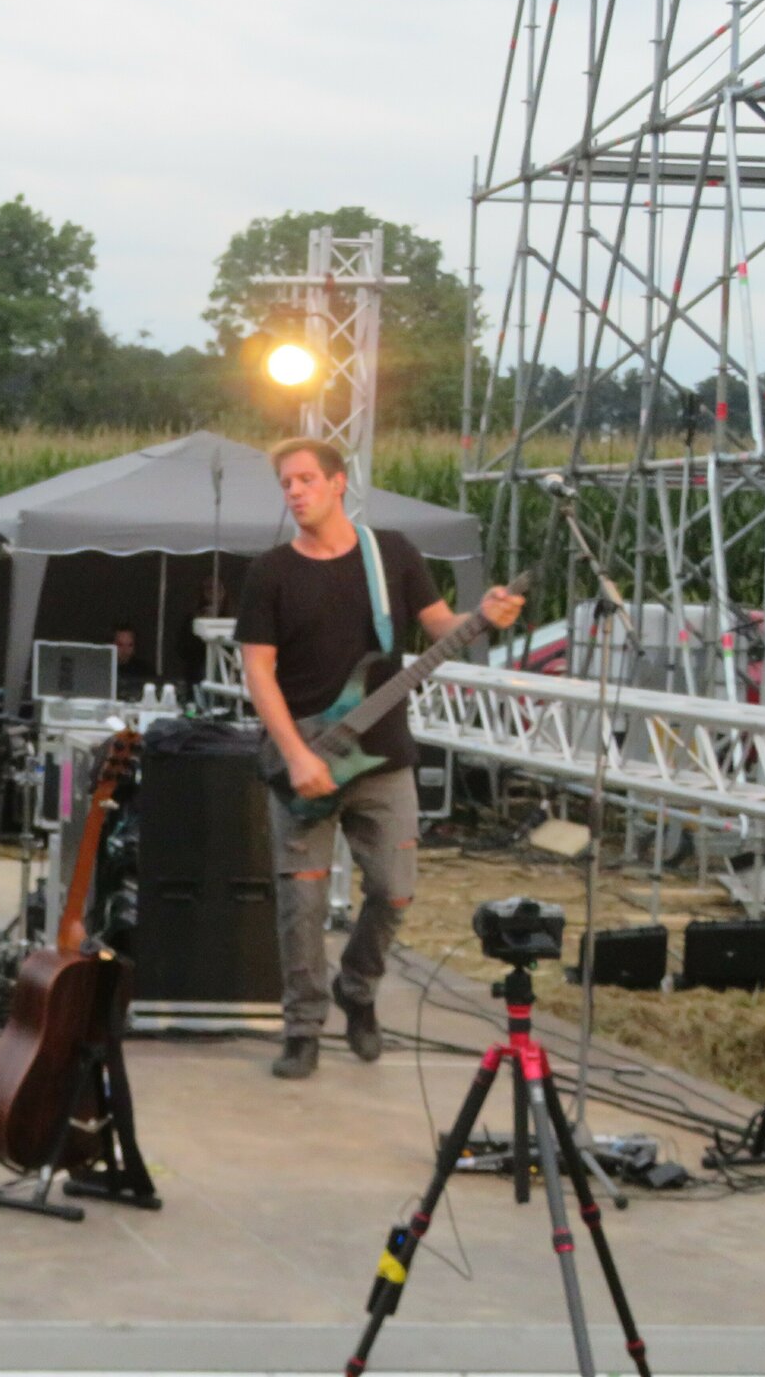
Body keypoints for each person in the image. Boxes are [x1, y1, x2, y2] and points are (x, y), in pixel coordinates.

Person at [234, 438, 522, 1081]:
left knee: (395, 891)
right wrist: (295, 754)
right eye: (286, 483)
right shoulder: (270, 572)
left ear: (339, 483)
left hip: (383, 756)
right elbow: (258, 671)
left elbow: (440, 626)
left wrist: (483, 617)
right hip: (304, 757)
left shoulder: (391, 553)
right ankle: (302, 1028)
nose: (295, 492)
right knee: (302, 904)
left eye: (306, 479)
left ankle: (357, 988)